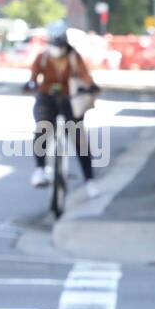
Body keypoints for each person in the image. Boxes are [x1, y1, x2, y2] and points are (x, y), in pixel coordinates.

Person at [28, 21, 100, 199]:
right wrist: (31, 84)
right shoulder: (42, 58)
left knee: (78, 137)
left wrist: (90, 86)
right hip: (47, 98)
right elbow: (33, 77)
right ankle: (40, 169)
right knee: (42, 129)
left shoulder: (74, 57)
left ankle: (89, 180)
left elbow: (84, 75)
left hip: (69, 99)